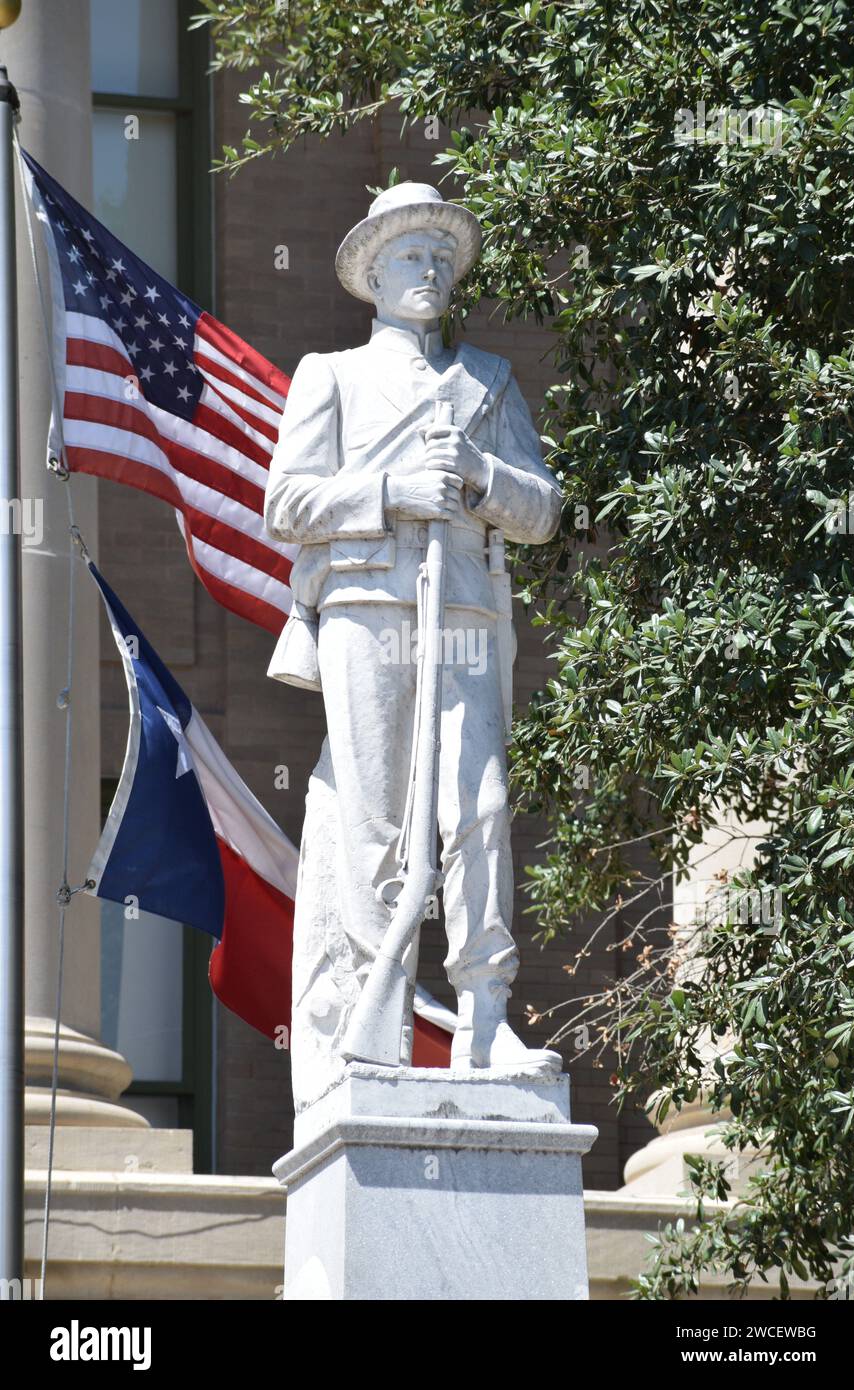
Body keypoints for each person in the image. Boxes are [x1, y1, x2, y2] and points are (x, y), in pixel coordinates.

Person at [265, 183, 563, 1109]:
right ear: (373, 274)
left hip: (465, 607)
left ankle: (485, 1014)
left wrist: (478, 474)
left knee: (480, 806)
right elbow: (287, 503)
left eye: (441, 256)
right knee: (376, 814)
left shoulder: (489, 380)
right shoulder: (332, 376)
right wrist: (392, 492)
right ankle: (378, 1013)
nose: (428, 270)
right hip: (366, 604)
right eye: (409, 256)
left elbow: (544, 511)